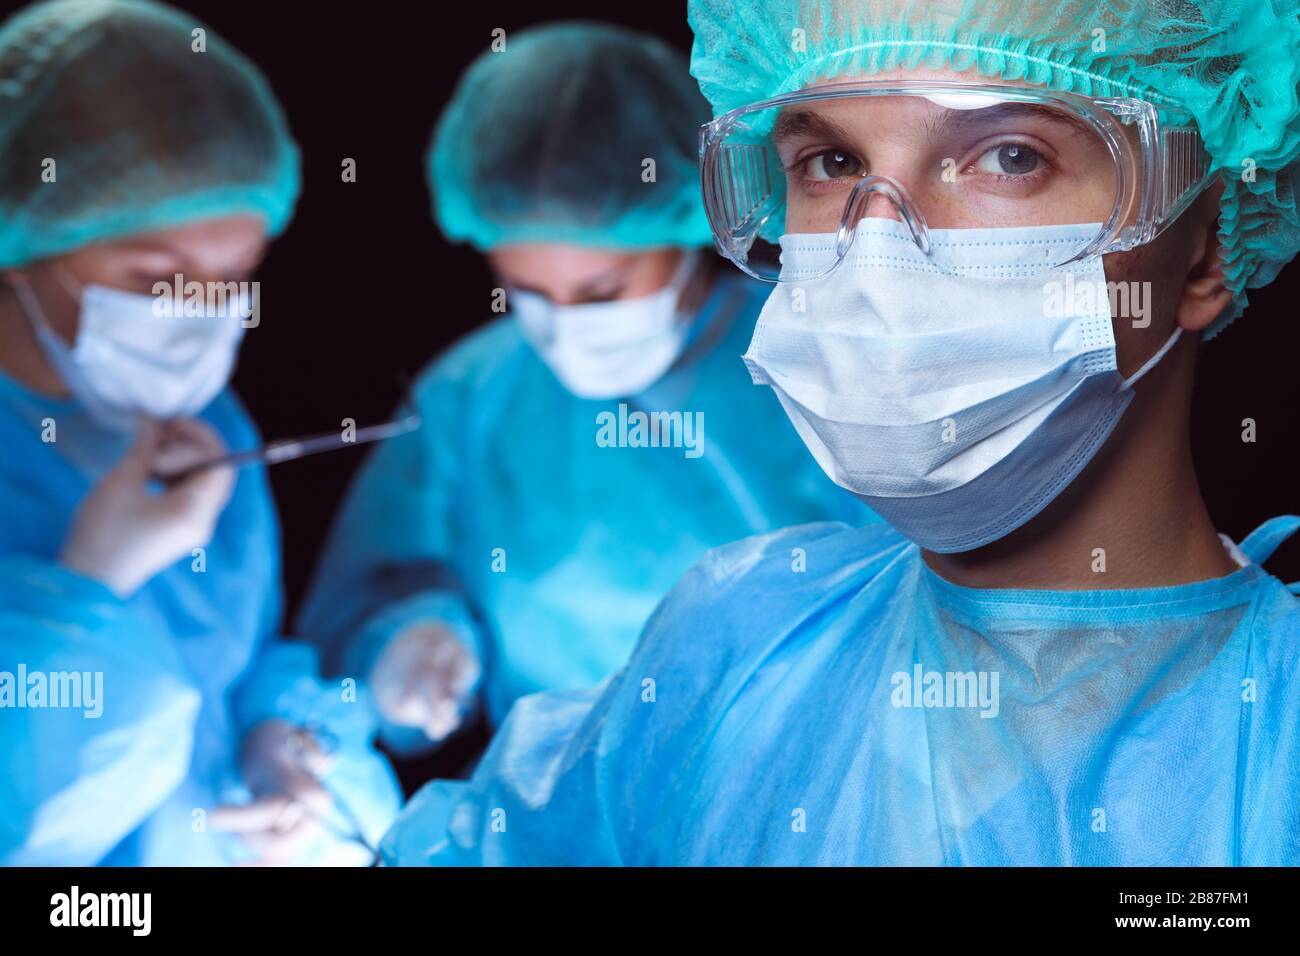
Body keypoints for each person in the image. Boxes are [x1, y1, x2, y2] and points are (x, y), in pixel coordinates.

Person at [382, 0, 1300, 866]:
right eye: (831, 163)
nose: (878, 250)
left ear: (1210, 243)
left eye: (1012, 156)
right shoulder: (735, 645)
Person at [297, 21, 874, 755]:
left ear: (694, 220)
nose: (565, 326)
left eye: (601, 291)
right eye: (526, 290)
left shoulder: (821, 361)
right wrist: (412, 638)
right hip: (557, 803)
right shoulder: (474, 394)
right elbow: (378, 586)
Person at [0, 0, 399, 866]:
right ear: (18, 239)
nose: (200, 311)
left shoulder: (209, 428)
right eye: (156, 274)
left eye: (236, 276)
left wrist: (275, 735)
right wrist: (88, 585)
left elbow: (234, 660)